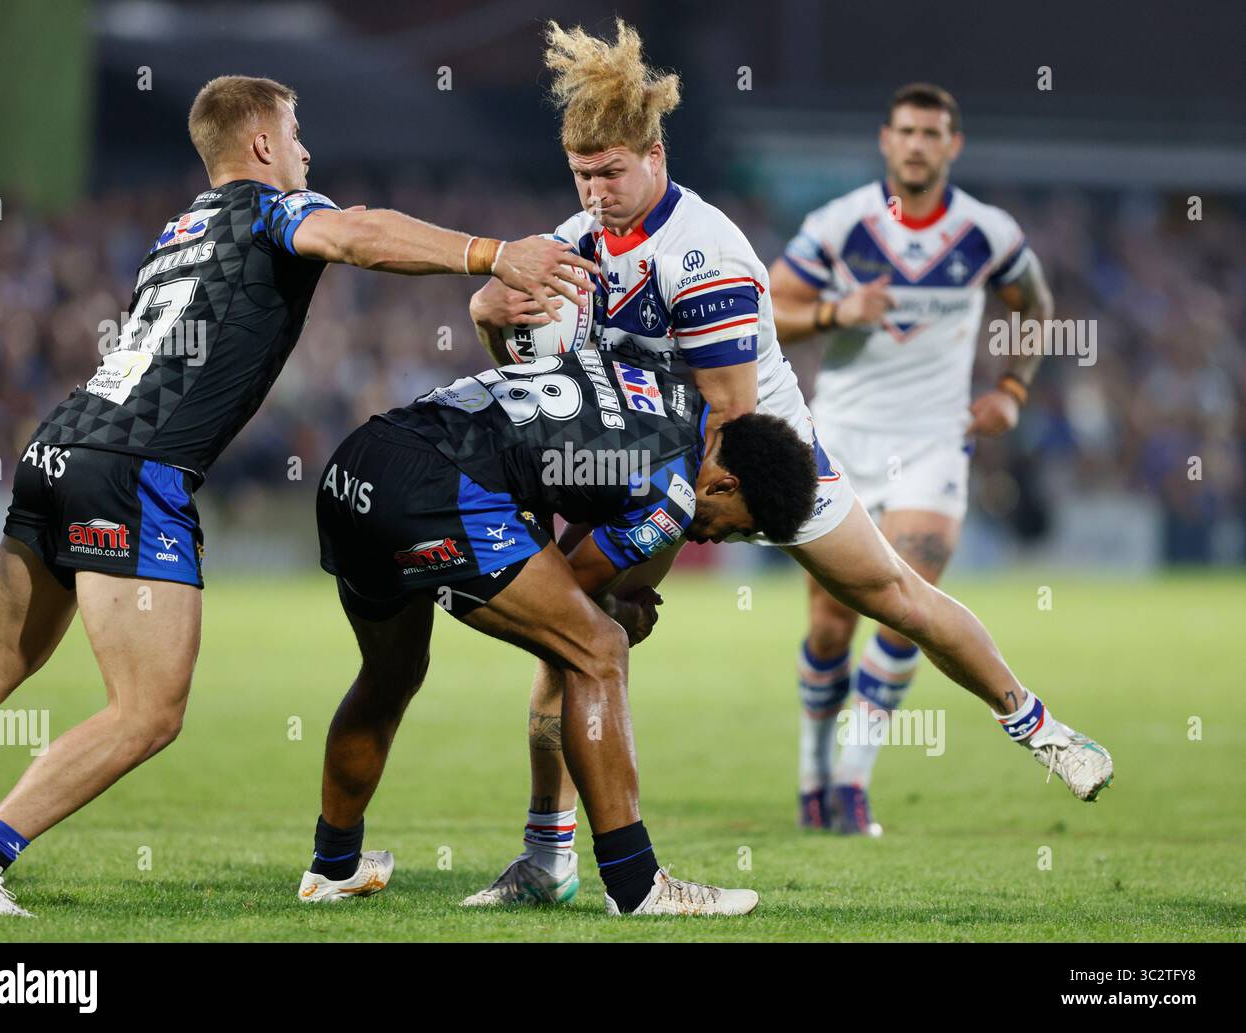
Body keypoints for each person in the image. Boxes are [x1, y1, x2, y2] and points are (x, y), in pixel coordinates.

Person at [461, 21, 1112, 907]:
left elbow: (728, 422)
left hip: (756, 467)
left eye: (611, 171)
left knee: (896, 596)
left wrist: (650, 544)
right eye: (582, 174)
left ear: (655, 154)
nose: (596, 191)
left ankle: (1041, 729)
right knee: (570, 637)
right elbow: (542, 365)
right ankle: (548, 855)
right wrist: (495, 316)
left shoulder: (704, 252)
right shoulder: (574, 239)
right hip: (648, 468)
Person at [0, 74, 597, 918]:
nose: (306, 150)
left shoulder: (178, 229)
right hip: (134, 469)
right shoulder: (269, 207)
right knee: (146, 712)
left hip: (57, 445)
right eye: (295, 134)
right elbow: (359, 235)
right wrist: (489, 252)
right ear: (259, 145)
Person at [301, 350, 816, 916]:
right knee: (599, 650)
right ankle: (637, 886)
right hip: (441, 490)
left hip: (358, 465)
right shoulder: (675, 490)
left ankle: (333, 867)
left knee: (390, 675)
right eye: (730, 529)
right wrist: (620, 610)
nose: (709, 539)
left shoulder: (660, 390)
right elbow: (574, 588)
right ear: (725, 483)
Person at [770, 83, 1059, 835]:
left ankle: (853, 783)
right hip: (841, 436)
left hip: (934, 440)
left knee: (908, 605)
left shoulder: (985, 232)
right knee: (832, 624)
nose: (918, 144)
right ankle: (810, 766)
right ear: (886, 140)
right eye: (906, 131)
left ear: (953, 145)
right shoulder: (840, 226)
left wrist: (1012, 390)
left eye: (932, 133)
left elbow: (1036, 305)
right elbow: (768, 309)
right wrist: (837, 311)